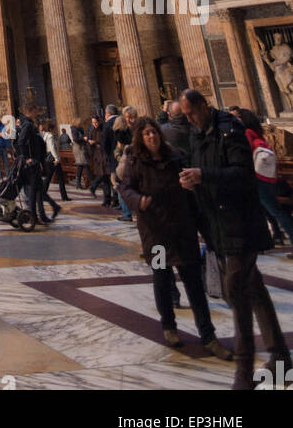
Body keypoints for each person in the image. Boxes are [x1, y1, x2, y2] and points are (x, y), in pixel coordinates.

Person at [179, 88, 291, 390]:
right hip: (217, 224)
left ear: (204, 105)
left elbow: (243, 174)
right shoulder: (196, 134)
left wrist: (204, 174)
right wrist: (192, 182)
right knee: (254, 289)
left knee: (234, 290)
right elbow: (205, 172)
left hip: (241, 221)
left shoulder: (231, 130)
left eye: (192, 112)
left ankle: (244, 371)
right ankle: (280, 357)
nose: (189, 119)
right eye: (185, 115)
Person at [119, 116, 232, 357]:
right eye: (146, 133)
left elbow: (193, 191)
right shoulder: (135, 161)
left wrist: (193, 190)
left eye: (154, 132)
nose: (151, 137)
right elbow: (125, 187)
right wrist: (138, 201)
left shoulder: (177, 157)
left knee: (193, 284)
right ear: (140, 137)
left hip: (183, 231)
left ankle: (208, 336)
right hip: (156, 233)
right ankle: (169, 326)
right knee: (162, 279)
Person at [235, 107, 293, 258]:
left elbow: (246, 154)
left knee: (276, 212)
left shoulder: (246, 133)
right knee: (271, 211)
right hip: (265, 177)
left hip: (258, 178)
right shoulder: (255, 131)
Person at [15, 106, 55, 222]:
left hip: (36, 161)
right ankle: (36, 216)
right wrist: (27, 158)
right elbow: (21, 142)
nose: (37, 114)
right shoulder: (27, 125)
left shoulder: (28, 124)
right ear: (30, 112)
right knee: (34, 191)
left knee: (38, 190)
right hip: (32, 163)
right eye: (35, 112)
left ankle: (40, 215)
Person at [43, 120, 70, 202]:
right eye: (54, 128)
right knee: (60, 178)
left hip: (49, 159)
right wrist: (57, 158)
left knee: (48, 178)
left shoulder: (46, 135)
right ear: (51, 128)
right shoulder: (50, 136)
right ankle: (64, 197)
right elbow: (52, 148)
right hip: (53, 160)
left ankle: (43, 195)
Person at [70, 121, 88, 189]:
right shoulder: (75, 129)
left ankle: (79, 183)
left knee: (81, 166)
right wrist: (83, 138)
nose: (81, 124)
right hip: (79, 149)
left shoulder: (78, 129)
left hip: (80, 148)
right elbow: (76, 139)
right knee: (84, 165)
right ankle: (92, 184)